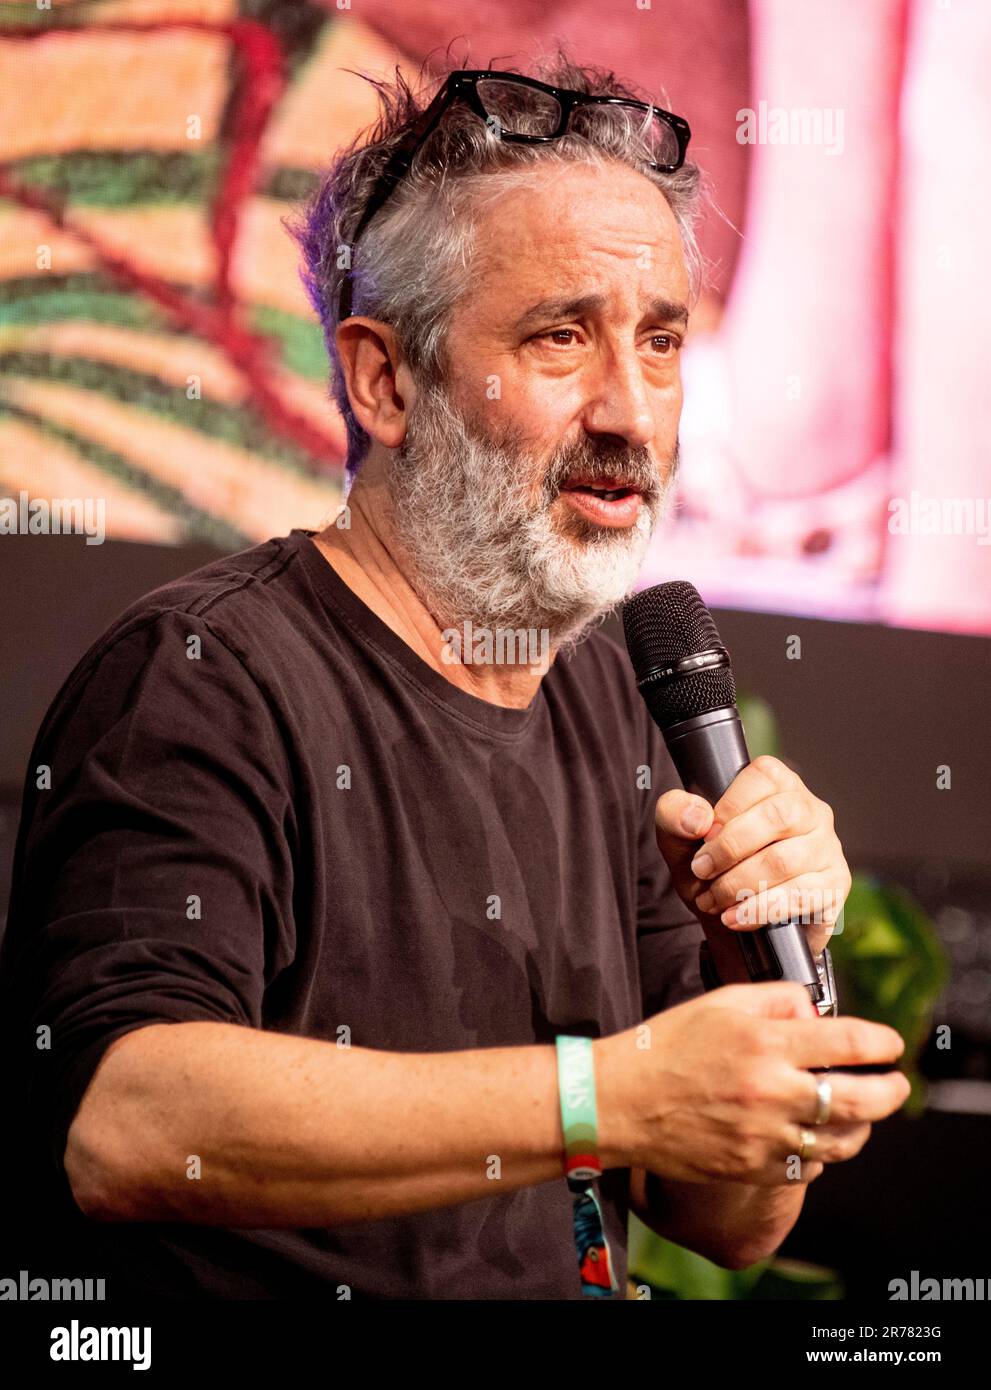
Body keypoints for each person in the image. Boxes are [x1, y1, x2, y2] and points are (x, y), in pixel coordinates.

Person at [0, 55, 908, 1300]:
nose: (631, 413)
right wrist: (609, 1095)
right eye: (558, 337)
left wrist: (758, 970)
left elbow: (727, 1223)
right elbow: (129, 1124)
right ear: (385, 380)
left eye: (659, 342)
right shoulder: (205, 676)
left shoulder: (614, 708)